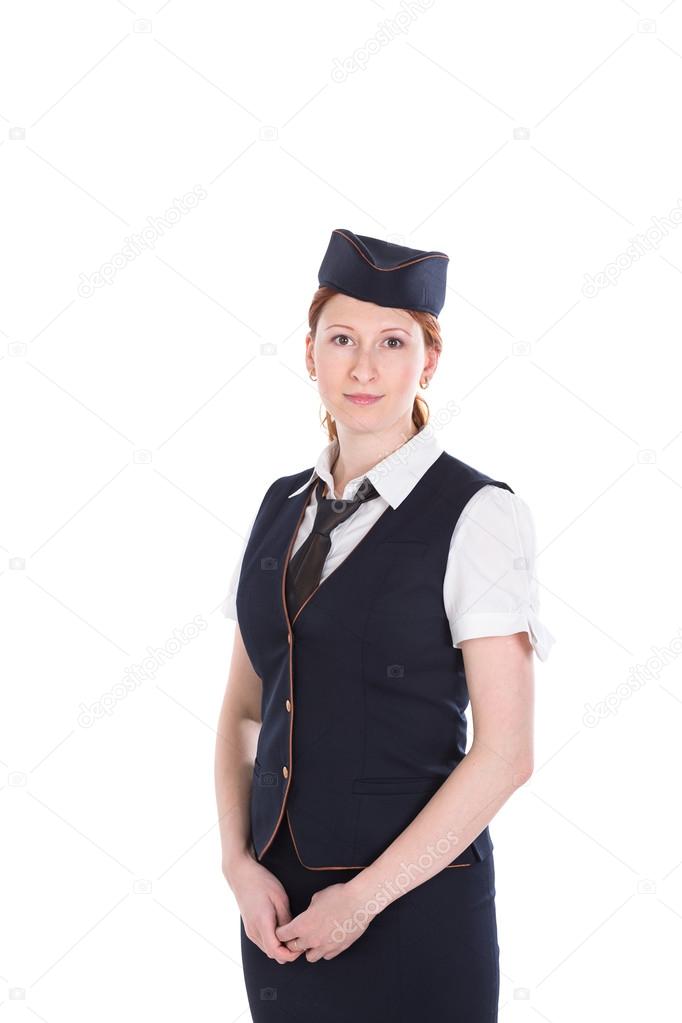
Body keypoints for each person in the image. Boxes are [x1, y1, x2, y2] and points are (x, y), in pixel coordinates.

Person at [214, 228, 555, 1022]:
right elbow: (244, 710)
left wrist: (363, 900)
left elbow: (506, 753)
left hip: (416, 916)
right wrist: (237, 862)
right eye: (342, 339)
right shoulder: (278, 506)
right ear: (309, 353)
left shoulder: (479, 514)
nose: (363, 368)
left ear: (427, 361)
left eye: (391, 342)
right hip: (277, 916)